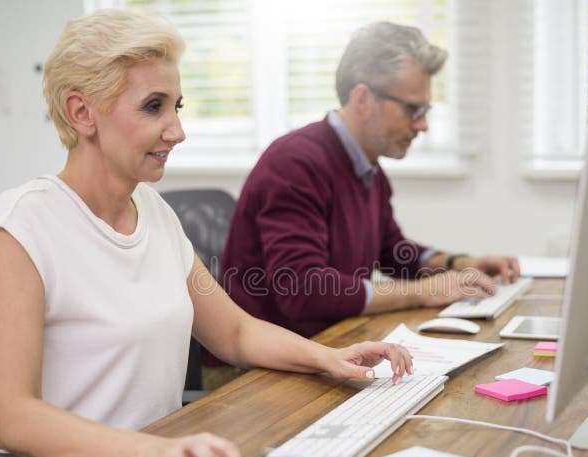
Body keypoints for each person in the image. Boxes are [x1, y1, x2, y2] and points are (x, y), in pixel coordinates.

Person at [0, 10, 412, 457]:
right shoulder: (20, 227)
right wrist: (147, 453)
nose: (177, 131)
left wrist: (328, 358)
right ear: (81, 112)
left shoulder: (154, 212)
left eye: (176, 106)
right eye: (153, 107)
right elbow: (9, 416)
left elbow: (235, 332)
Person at [222, 21, 520, 339]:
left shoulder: (367, 165)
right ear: (363, 99)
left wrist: (459, 263)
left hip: (324, 342)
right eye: (414, 110)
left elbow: (391, 250)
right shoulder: (295, 164)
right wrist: (422, 292)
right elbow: (304, 290)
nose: (423, 126)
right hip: (254, 368)